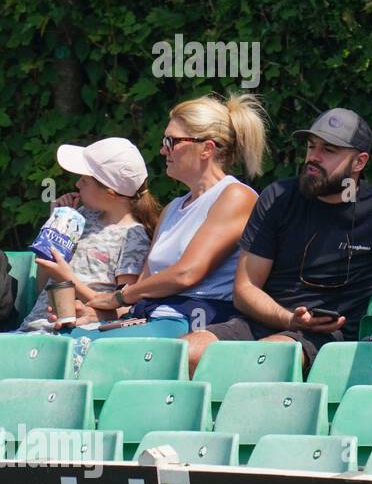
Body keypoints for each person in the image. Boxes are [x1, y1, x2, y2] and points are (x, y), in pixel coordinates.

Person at [180, 108, 372, 374]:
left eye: (329, 150)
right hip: (262, 321)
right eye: (312, 146)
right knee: (182, 354)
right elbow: (245, 289)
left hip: (326, 338)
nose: (314, 157)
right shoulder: (278, 198)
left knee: (266, 359)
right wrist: (288, 318)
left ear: (359, 161)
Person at [82, 94, 267, 330]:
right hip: (154, 318)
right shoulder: (171, 209)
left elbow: (187, 273)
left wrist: (119, 297)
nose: (162, 150)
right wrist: (98, 314)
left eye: (171, 141)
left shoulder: (235, 196)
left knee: (87, 353)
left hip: (198, 320)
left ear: (206, 149)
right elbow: (146, 286)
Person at [19, 138, 156, 330]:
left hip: (73, 335)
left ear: (110, 192)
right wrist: (56, 226)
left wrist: (67, 278)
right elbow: (41, 286)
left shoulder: (133, 237)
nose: (76, 184)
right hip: (33, 328)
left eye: (84, 180)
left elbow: (124, 309)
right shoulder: (82, 217)